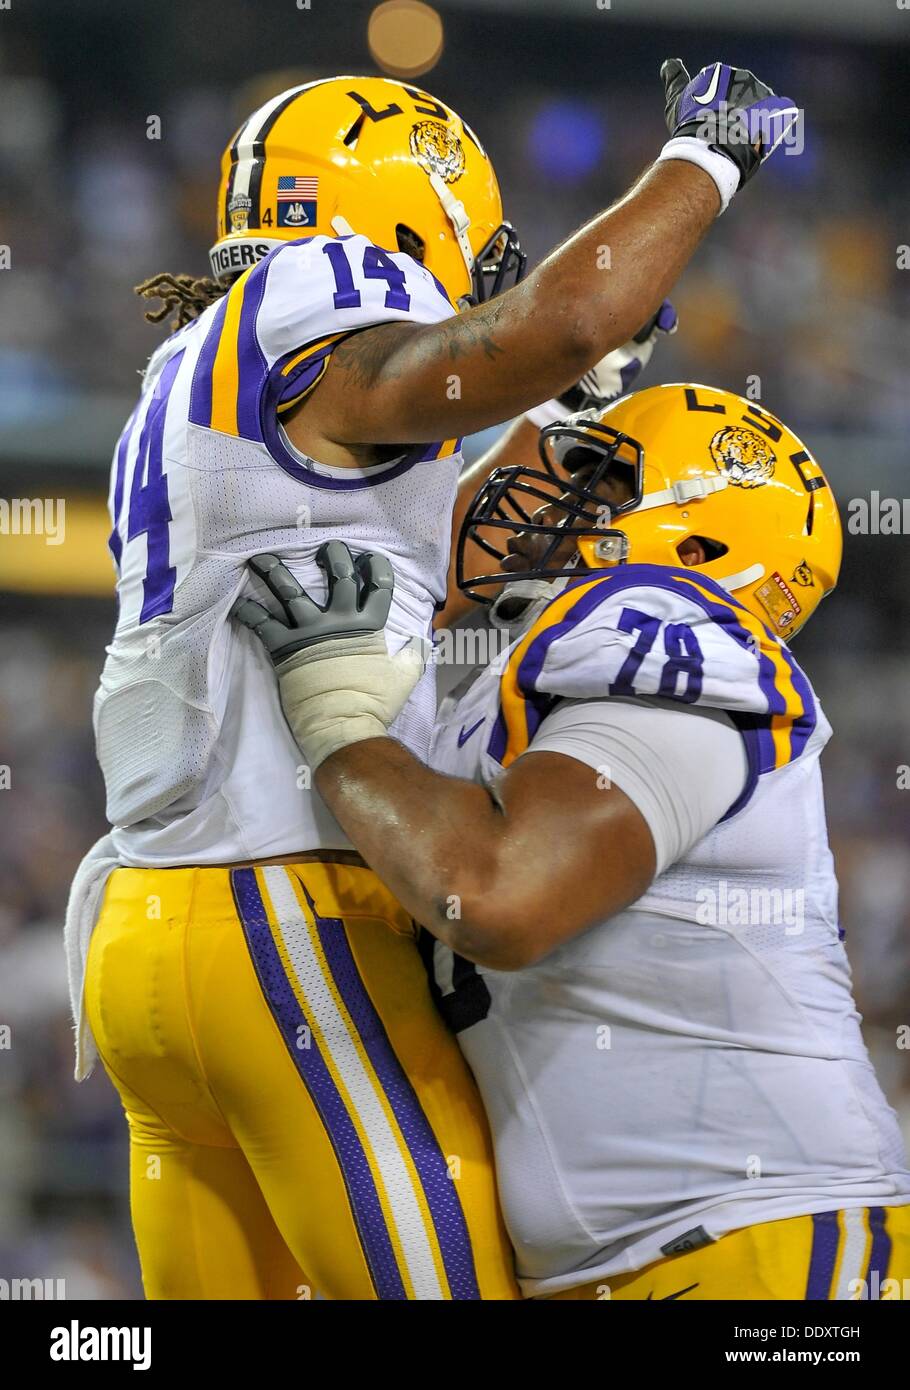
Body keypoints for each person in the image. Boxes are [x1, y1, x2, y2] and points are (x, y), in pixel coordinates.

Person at [68, 61, 796, 1299]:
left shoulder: (205, 365)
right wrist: (708, 159)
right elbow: (552, 322)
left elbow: (392, 565)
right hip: (286, 921)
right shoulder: (324, 289)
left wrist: (552, 407)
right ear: (406, 202)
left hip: (146, 935)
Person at [237, 382, 910, 1300]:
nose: (553, 500)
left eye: (598, 481)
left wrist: (345, 730)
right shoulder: (522, 687)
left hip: (763, 1249)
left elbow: (499, 897)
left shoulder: (674, 631)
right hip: (632, 1265)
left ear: (702, 542)